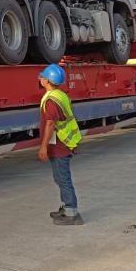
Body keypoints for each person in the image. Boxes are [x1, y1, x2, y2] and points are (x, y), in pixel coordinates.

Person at [37, 64, 84, 225]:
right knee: (60, 177)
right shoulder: (59, 95)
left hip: (60, 144)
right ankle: (66, 207)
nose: (40, 79)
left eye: (42, 77)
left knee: (63, 179)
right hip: (62, 142)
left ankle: (72, 212)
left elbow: (50, 124)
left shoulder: (51, 100)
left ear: (48, 80)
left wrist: (43, 147)